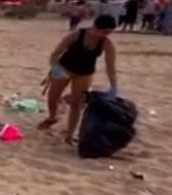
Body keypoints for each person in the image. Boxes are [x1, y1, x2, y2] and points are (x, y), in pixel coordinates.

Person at [39, 14, 118, 145]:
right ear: (95, 27)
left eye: (109, 33)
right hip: (64, 68)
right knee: (52, 97)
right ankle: (52, 117)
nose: (106, 35)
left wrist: (113, 86)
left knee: (77, 104)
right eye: (104, 32)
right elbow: (54, 55)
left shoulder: (106, 43)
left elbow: (111, 68)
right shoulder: (77, 35)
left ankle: (70, 134)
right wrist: (56, 70)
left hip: (85, 73)